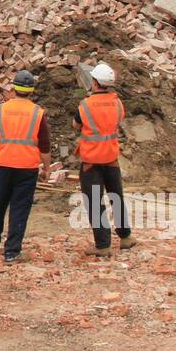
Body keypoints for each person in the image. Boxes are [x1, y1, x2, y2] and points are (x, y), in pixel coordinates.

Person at [0, 69, 50, 263]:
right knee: (20, 208)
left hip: (3, 165)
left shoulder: (0, 111)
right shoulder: (37, 113)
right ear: (31, 90)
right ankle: (12, 251)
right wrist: (46, 168)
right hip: (27, 168)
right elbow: (44, 145)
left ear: (13, 88)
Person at [75, 61, 135, 257]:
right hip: (111, 158)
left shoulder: (85, 105)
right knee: (116, 197)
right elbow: (117, 121)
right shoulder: (118, 103)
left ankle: (103, 245)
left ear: (94, 82)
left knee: (94, 203)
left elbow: (76, 124)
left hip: (91, 162)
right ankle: (125, 237)